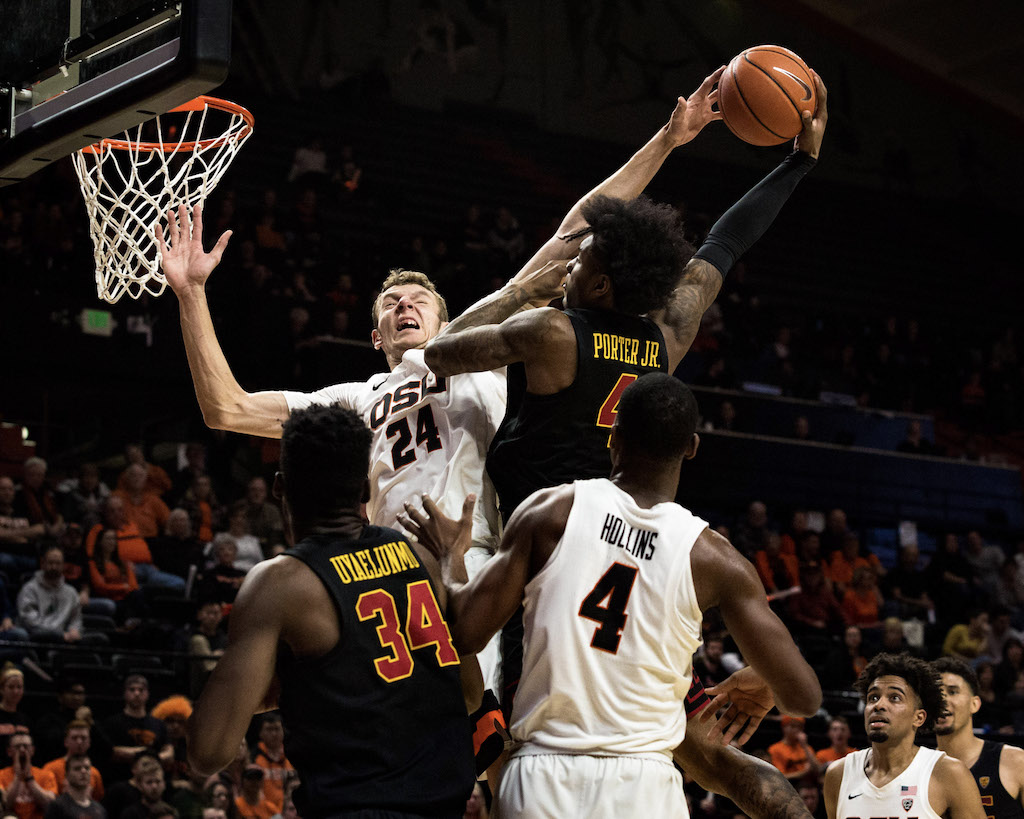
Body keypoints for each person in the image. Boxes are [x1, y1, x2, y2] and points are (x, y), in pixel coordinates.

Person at [158, 71, 734, 709]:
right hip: (380, 574)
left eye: (418, 300)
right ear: (376, 336)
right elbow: (227, 408)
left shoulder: (484, 357)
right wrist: (191, 293)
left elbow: (575, 234)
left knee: (479, 734)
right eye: (390, 303)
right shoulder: (352, 399)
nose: (404, 305)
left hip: (477, 562)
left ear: (445, 320)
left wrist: (667, 140)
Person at [405, 374, 821, 817]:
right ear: (692, 447)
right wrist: (767, 679)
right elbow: (805, 699)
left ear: (614, 435)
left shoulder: (549, 512)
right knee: (722, 764)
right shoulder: (715, 558)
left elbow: (463, 634)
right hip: (645, 786)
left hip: (543, 776)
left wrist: (451, 558)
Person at [425, 79, 827, 524]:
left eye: (578, 260)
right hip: (605, 525)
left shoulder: (548, 330)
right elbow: (726, 242)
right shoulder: (668, 335)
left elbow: (437, 354)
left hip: (526, 522)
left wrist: (520, 291)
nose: (568, 266)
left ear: (600, 286)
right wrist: (799, 163)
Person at [186, 405, 476, 817]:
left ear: (280, 487)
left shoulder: (278, 584)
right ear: (364, 490)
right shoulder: (423, 560)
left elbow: (208, 750)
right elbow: (469, 694)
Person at [822, 652, 984, 819]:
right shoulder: (838, 774)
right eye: (873, 697)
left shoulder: (948, 773)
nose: (879, 705)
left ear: (918, 718)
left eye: (894, 698)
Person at [933, 656, 1024, 819]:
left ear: (974, 704)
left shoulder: (1016, 761)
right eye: (935, 693)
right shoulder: (919, 767)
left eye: (952, 692)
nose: (942, 699)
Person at [102, 676, 172, 784]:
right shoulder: (112, 723)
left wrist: (150, 757)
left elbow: (169, 753)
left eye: (141, 690)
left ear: (147, 694)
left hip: (152, 784)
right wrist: (146, 754)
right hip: (121, 781)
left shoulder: (158, 724)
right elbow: (110, 751)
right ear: (125, 693)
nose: (137, 693)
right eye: (132, 689)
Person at [16, 547, 84, 644]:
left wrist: (74, 630)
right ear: (42, 563)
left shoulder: (71, 592)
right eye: (51, 563)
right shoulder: (29, 589)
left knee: (98, 638)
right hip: (37, 637)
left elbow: (76, 618)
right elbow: (29, 620)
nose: (54, 567)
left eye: (58, 563)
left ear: (63, 565)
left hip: (65, 639)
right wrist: (58, 634)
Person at [0, 731, 59, 819]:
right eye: (17, 747)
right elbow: (5, 806)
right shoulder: (1, 775)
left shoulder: (46, 775)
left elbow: (50, 806)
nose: (22, 750)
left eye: (25, 746)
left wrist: (29, 778)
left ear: (32, 750)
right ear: (9, 751)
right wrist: (18, 777)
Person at [41, 721, 104, 800]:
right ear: (66, 742)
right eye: (74, 738)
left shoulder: (94, 773)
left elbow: (97, 801)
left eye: (83, 738)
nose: (79, 742)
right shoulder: (51, 768)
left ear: (89, 742)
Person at [250, 715, 293, 813]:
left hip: (292, 811)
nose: (274, 734)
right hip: (264, 812)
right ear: (260, 733)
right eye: (269, 729)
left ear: (283, 731)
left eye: (277, 729)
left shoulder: (292, 753)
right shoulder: (254, 756)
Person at [43, 753, 105, 819]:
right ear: (67, 775)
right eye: (77, 768)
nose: (83, 771)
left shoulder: (99, 810)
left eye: (87, 768)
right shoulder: (57, 807)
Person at [768, 716, 820, 782]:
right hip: (789, 785)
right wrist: (803, 772)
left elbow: (818, 770)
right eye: (793, 726)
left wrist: (805, 746)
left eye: (800, 727)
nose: (796, 729)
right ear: (784, 727)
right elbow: (779, 777)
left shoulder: (806, 747)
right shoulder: (775, 749)